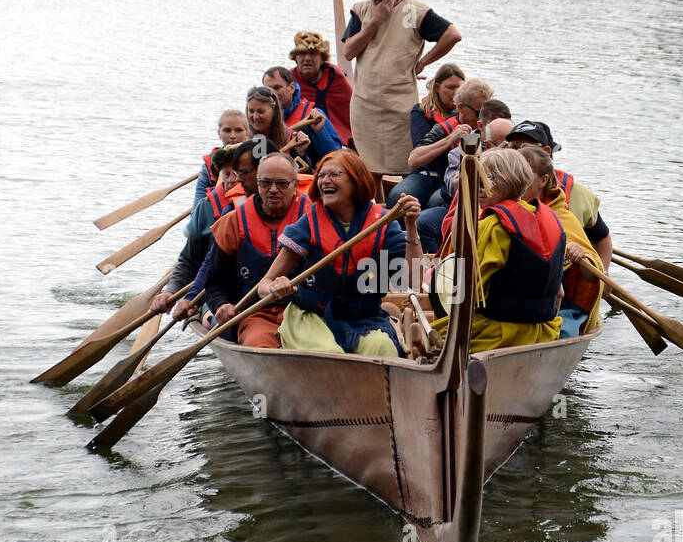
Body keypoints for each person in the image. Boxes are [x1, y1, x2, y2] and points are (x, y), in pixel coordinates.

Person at [257, 149, 422, 356]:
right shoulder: (309, 223)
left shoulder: (383, 222)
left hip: (363, 318)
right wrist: (275, 288)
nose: (325, 180)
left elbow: (413, 280)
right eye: (321, 175)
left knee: (384, 348)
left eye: (334, 174)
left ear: (356, 181)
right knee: (331, 354)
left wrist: (411, 225)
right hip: (311, 316)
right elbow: (264, 284)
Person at [435, 146, 566, 353]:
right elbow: (559, 293)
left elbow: (468, 288)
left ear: (505, 182)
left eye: (483, 181)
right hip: (543, 333)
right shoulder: (552, 220)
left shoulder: (493, 225)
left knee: (428, 334)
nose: (479, 187)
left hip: (493, 334)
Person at [342, 0, 461, 173]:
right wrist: (374, 22)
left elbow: (452, 35)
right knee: (368, 168)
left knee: (406, 165)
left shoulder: (414, 11)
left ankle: (406, 202)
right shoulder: (361, 11)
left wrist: (424, 62)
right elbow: (349, 51)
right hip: (365, 104)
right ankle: (377, 206)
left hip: (399, 106)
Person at [203, 152, 307, 349]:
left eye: (282, 184)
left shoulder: (313, 218)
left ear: (295, 184)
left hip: (304, 312)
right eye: (266, 183)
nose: (273, 190)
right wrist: (221, 305)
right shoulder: (233, 221)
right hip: (253, 314)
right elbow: (215, 283)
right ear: (257, 184)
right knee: (258, 343)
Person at [518, 144, 604, 335]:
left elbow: (591, 277)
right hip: (513, 303)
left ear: (544, 180)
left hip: (560, 306)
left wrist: (583, 258)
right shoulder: (502, 210)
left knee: (561, 331)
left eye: (526, 172)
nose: (519, 178)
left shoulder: (562, 218)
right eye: (516, 171)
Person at [505, 119, 613, 269]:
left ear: (547, 152)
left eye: (526, 148)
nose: (518, 155)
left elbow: (602, 237)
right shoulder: (501, 192)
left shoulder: (577, 194)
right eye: (513, 148)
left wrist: (603, 272)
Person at [151, 147, 244, 317]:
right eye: (227, 174)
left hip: (251, 291)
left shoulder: (263, 206)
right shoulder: (207, 207)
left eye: (238, 173)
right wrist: (171, 291)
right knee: (210, 319)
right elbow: (189, 261)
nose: (232, 180)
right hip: (215, 293)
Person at [410, 80, 494, 252]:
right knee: (406, 199)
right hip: (446, 189)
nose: (483, 118)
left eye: (487, 111)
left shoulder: (492, 129)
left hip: (481, 197)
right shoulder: (444, 129)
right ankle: (438, 262)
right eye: (479, 112)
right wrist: (450, 139)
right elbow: (413, 160)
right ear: (461, 107)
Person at [385, 62, 465, 209]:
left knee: (437, 202)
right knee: (399, 195)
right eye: (450, 87)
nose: (456, 92)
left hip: (454, 175)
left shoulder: (467, 114)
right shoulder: (421, 111)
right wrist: (448, 140)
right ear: (437, 87)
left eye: (459, 87)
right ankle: (398, 230)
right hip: (427, 172)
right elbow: (419, 150)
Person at [262, 65, 342, 166]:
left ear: (291, 88)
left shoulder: (313, 116)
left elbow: (336, 157)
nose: (272, 93)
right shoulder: (260, 119)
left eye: (277, 88)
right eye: (267, 89)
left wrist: (320, 132)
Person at [288, 31, 354, 146]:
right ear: (295, 58)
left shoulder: (333, 75)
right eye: (302, 54)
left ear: (322, 58)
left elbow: (352, 110)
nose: (307, 58)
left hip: (337, 139)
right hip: (300, 140)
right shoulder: (289, 80)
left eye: (313, 54)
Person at [193, 108, 250, 204]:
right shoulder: (208, 166)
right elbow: (198, 202)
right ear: (219, 133)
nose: (232, 136)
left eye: (238, 130)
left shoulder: (256, 159)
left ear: (247, 133)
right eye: (227, 130)